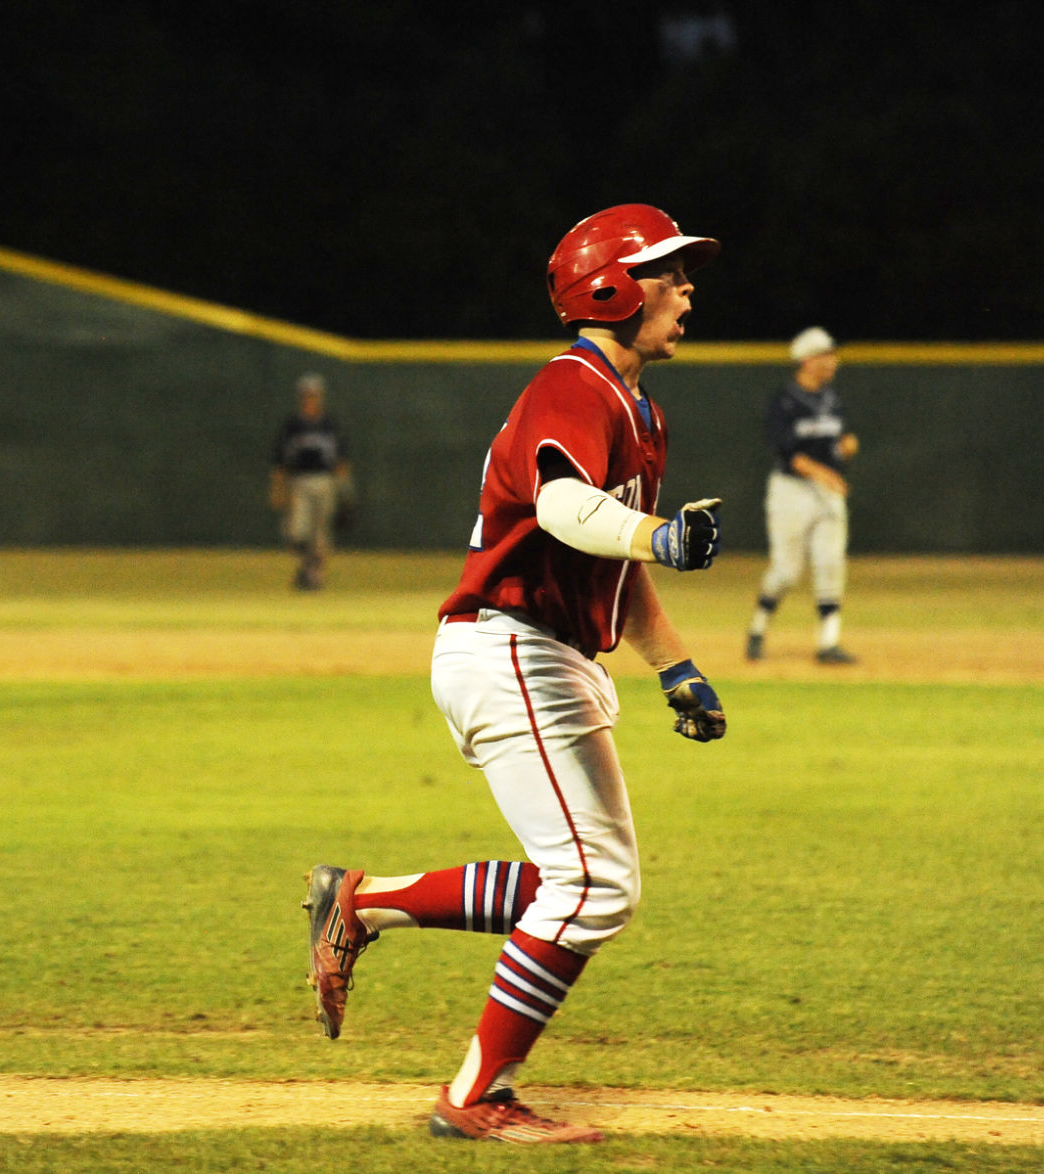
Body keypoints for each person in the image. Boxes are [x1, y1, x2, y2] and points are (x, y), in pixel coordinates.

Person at [303, 204, 727, 1145]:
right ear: (610, 288)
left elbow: (606, 560)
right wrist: (659, 535)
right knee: (592, 887)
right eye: (667, 271)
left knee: (581, 881)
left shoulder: (635, 408)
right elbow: (567, 508)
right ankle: (475, 1096)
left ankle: (359, 902)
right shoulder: (575, 383)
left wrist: (676, 666)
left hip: (535, 652)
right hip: (513, 648)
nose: (686, 289)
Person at [744, 326, 858, 664]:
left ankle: (829, 642)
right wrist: (824, 473)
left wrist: (846, 447)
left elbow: (837, 443)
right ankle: (758, 628)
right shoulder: (785, 401)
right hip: (791, 491)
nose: (832, 361)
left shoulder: (832, 399)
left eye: (832, 355)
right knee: (786, 571)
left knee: (831, 563)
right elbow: (787, 452)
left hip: (827, 491)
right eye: (825, 355)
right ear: (807, 360)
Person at [269, 372, 353, 590]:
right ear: (301, 397)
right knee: (297, 533)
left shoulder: (329, 425)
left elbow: (341, 460)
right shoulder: (292, 425)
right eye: (307, 395)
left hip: (325, 481)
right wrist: (278, 488)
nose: (310, 399)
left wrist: (346, 491)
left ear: (320, 397)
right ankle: (307, 567)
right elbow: (280, 461)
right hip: (299, 481)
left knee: (321, 533)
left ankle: (314, 576)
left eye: (314, 395)